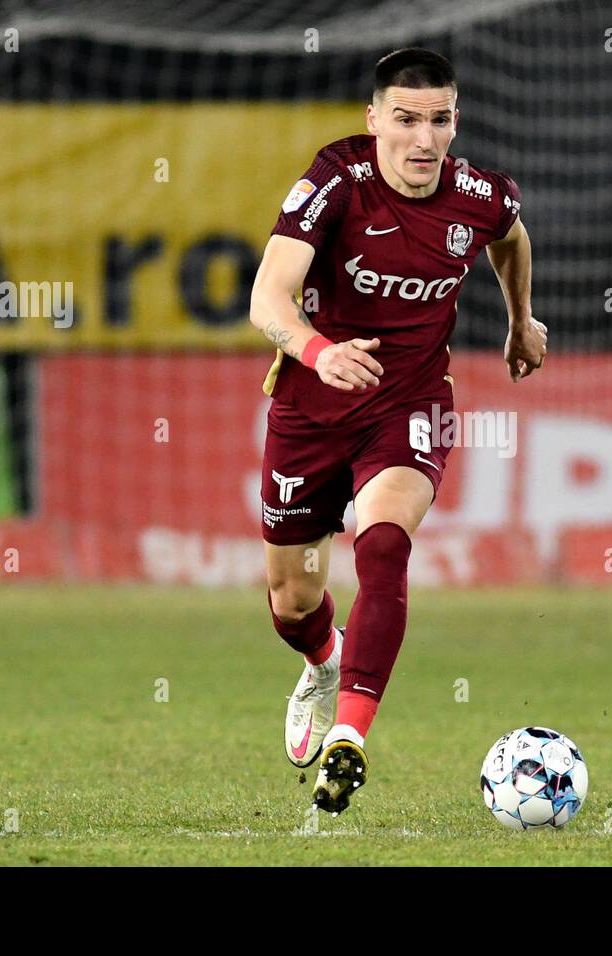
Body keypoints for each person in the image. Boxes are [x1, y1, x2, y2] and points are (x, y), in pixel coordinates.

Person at [249, 47, 547, 813]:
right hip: (312, 407)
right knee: (292, 602)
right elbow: (267, 297)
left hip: (409, 404)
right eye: (407, 120)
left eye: (439, 120)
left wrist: (520, 319)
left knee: (383, 545)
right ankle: (323, 662)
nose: (424, 139)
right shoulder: (336, 181)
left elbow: (510, 237)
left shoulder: (478, 196)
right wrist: (319, 350)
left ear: (456, 122)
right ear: (375, 119)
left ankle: (350, 736)